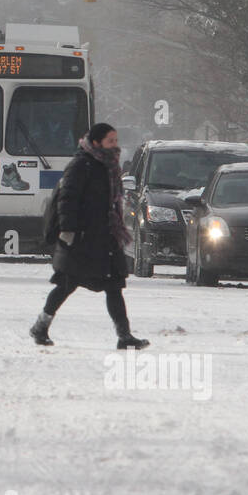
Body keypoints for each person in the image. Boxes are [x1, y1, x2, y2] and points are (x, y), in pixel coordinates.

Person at [31, 122, 150, 350]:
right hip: (82, 239)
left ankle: (124, 335)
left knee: (114, 286)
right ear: (96, 143)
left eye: (116, 140)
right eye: (110, 141)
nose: (115, 145)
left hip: (106, 237)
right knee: (66, 283)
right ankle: (40, 326)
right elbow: (67, 199)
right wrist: (68, 230)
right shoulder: (81, 165)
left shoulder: (109, 166)